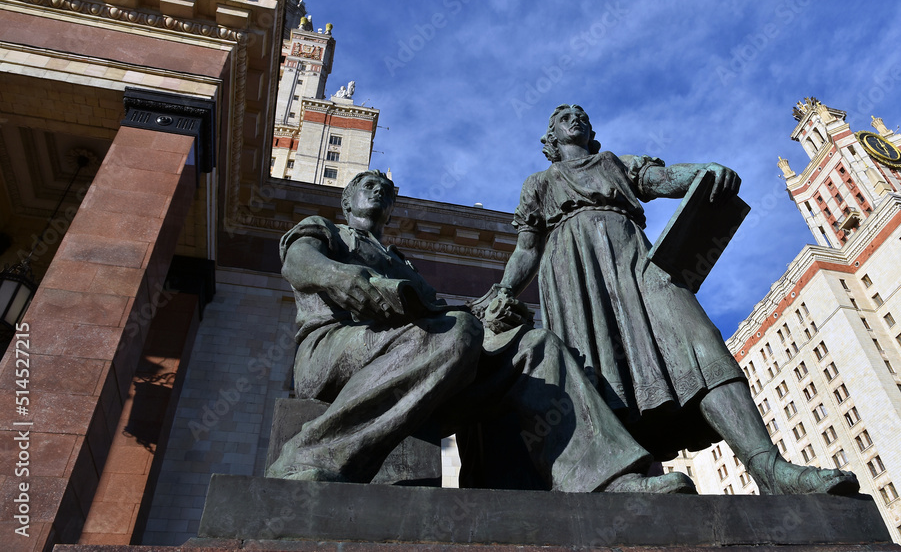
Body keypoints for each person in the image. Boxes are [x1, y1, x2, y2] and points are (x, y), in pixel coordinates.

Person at [486, 104, 858, 495]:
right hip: (573, 275)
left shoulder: (614, 163)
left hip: (636, 263)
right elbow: (527, 249)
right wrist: (505, 290)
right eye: (565, 117)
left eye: (583, 115)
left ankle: (769, 468)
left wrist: (702, 172)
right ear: (551, 138)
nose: (576, 119)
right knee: (600, 375)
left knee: (700, 341)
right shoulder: (539, 184)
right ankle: (625, 481)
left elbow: (661, 179)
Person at [266, 169, 695, 494]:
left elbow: (447, 317)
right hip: (334, 350)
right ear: (346, 200)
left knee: (534, 346)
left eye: (385, 188)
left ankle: (605, 478)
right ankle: (311, 457)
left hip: (416, 354)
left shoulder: (403, 264)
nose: (378, 190)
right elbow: (299, 262)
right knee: (450, 334)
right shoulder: (327, 231)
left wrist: (493, 316)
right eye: (367, 184)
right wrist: (343, 279)